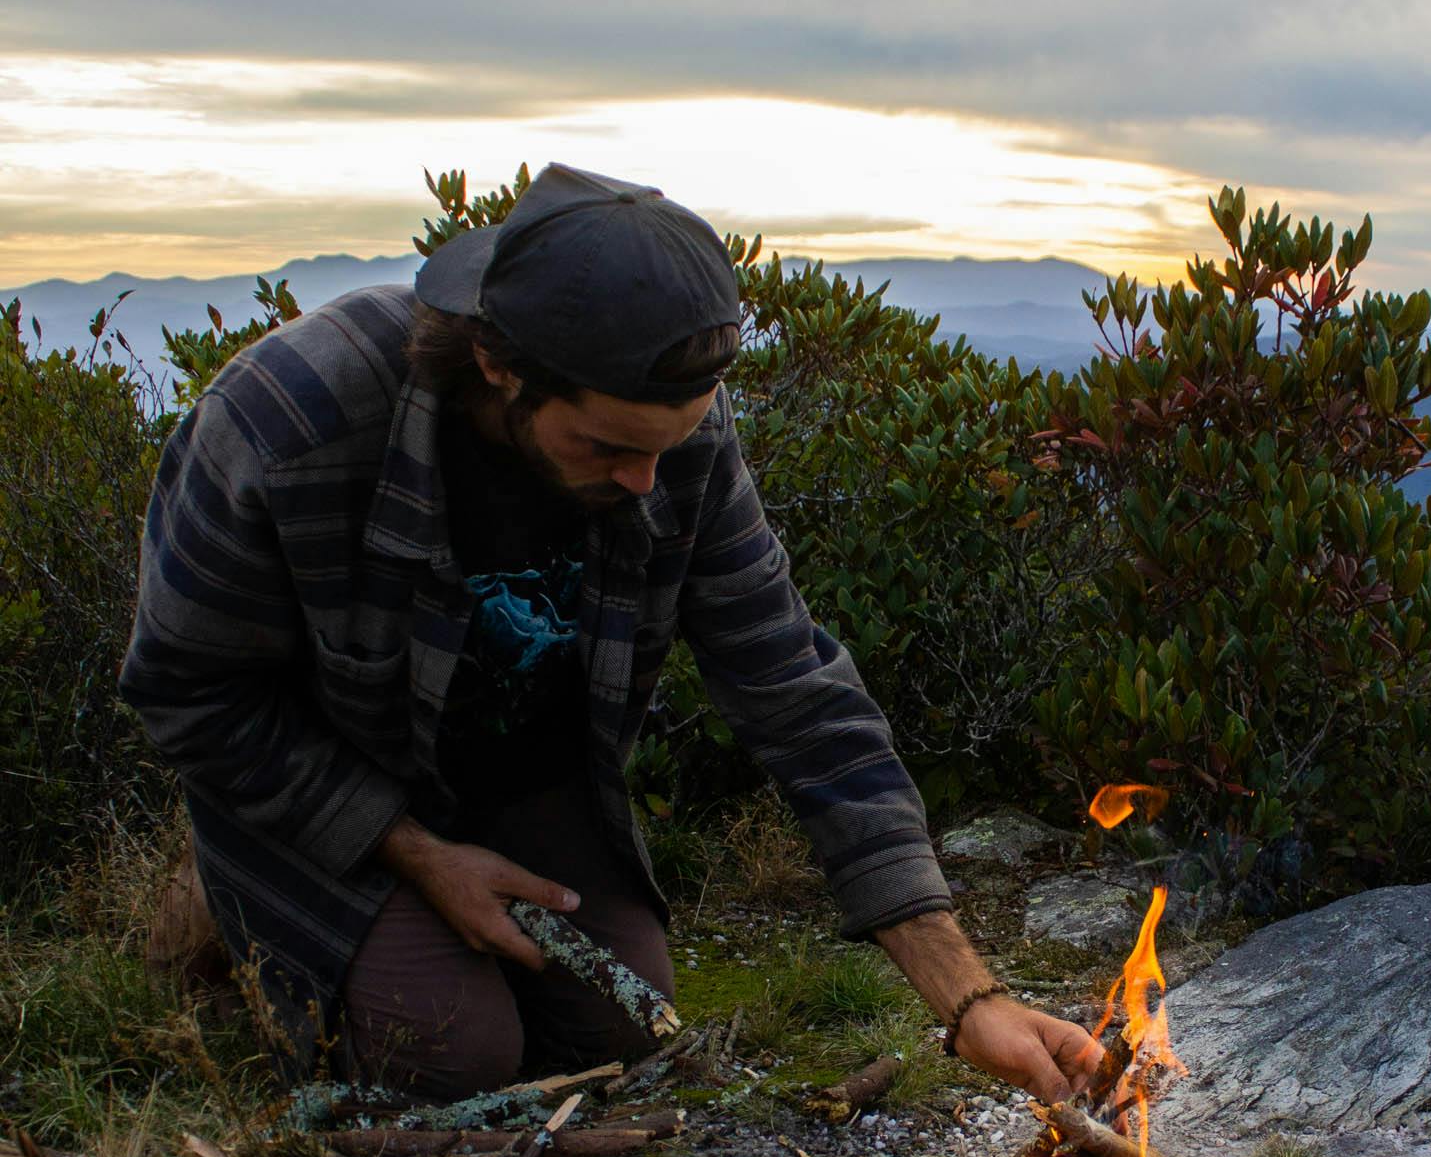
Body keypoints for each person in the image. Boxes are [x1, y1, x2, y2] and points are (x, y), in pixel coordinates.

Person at [121, 163, 1104, 1105]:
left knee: (623, 1028)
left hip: (517, 779)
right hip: (332, 784)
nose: (644, 484)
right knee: (456, 1051)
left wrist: (967, 996)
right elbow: (189, 692)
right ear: (497, 362)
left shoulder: (674, 437)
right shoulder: (290, 421)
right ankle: (232, 923)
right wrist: (415, 852)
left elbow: (797, 697)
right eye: (605, 446)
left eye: (665, 447)